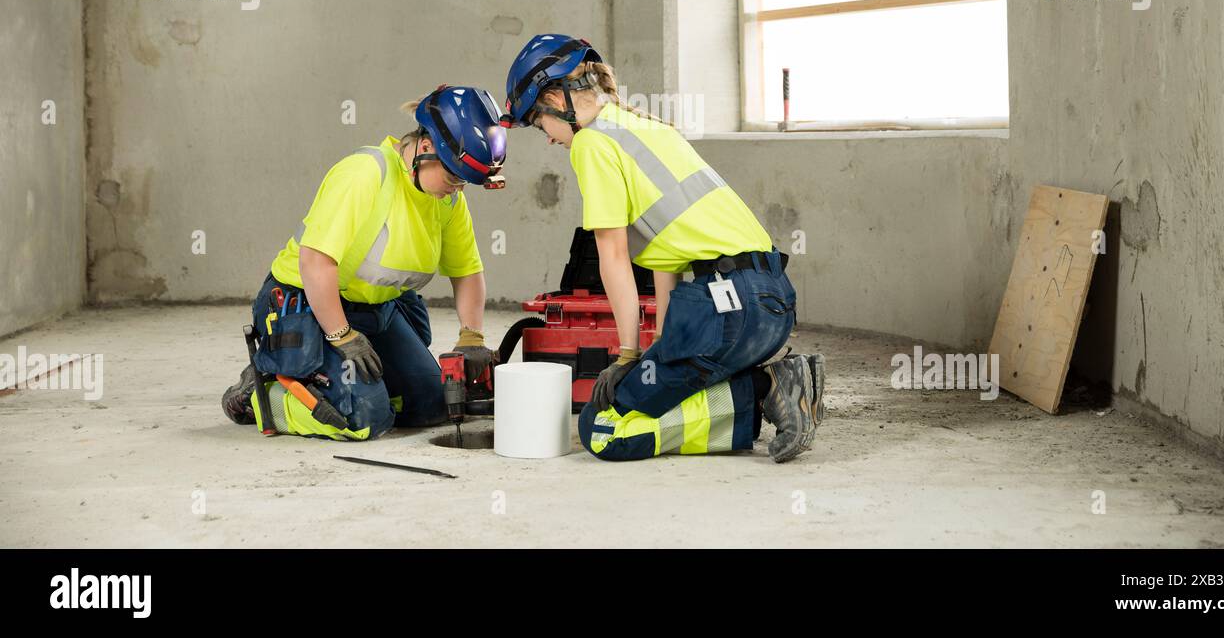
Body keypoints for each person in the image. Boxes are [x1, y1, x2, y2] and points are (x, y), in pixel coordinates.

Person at [500, 34, 824, 461]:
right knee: (657, 390)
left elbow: (612, 258)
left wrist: (627, 356)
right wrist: (656, 353)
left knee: (601, 429)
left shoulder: (593, 144)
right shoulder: (644, 125)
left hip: (727, 310)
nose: (547, 138)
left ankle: (766, 389)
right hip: (769, 304)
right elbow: (667, 267)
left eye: (540, 123)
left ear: (556, 98)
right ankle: (771, 389)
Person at [221, 85, 507, 440]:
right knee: (364, 418)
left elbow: (466, 271)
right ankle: (262, 396)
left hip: (375, 310)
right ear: (426, 146)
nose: (458, 189)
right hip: (307, 302)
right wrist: (341, 335)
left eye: (465, 181)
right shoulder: (366, 174)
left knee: (436, 404)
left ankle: (346, 387)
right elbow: (315, 262)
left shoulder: (447, 201)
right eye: (453, 177)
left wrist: (471, 335)